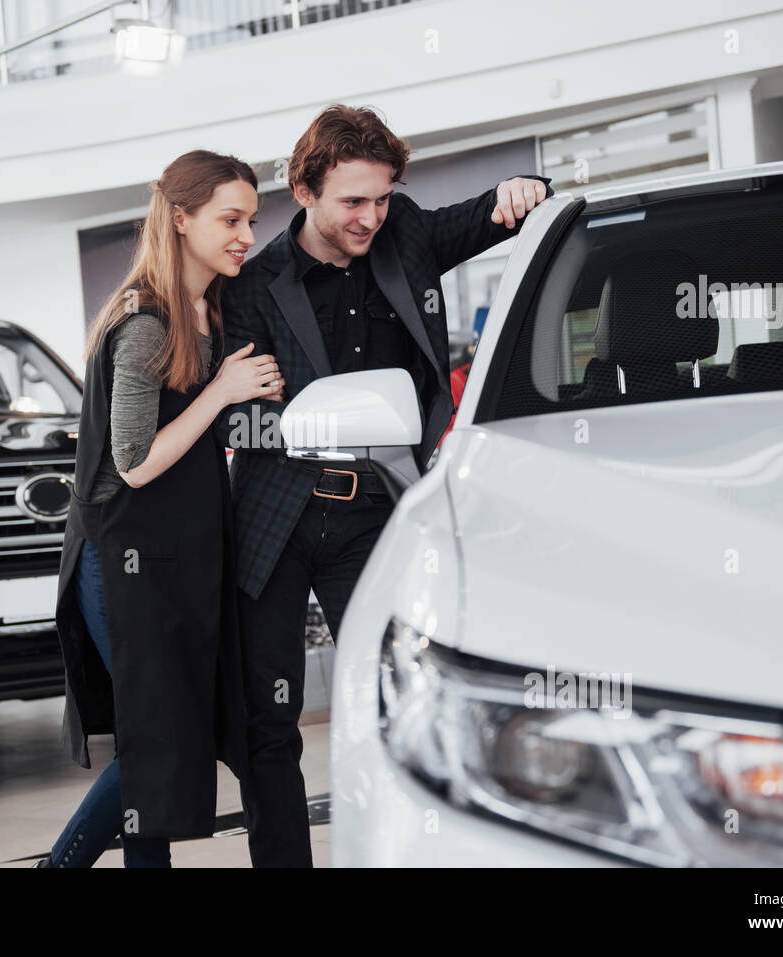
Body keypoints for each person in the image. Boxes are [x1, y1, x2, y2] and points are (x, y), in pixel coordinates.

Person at [218, 104, 554, 867]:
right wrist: (305, 426)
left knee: (400, 701)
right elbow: (234, 427)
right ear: (304, 191)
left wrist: (524, 187)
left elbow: (507, 208)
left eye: (382, 196)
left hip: (376, 511)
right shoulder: (255, 283)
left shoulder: (407, 234)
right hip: (275, 515)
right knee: (267, 723)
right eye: (352, 202)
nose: (371, 216)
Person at [44, 149, 283, 867]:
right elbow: (135, 460)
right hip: (124, 564)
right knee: (158, 744)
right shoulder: (147, 320)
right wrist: (223, 392)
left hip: (170, 559)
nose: (245, 234)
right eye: (230, 218)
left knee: (164, 738)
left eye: (251, 219)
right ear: (181, 219)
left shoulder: (205, 309)